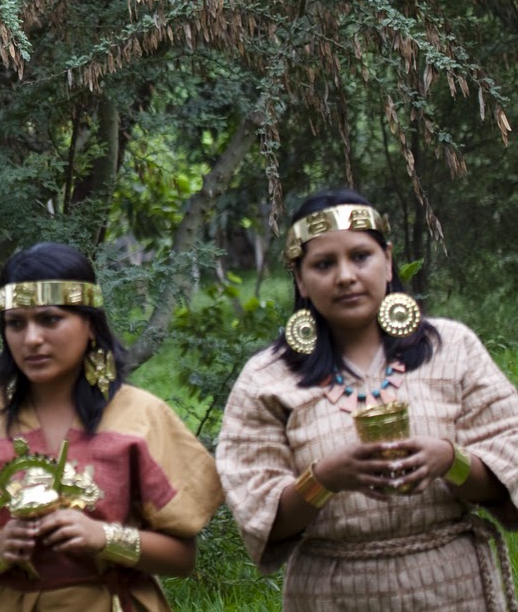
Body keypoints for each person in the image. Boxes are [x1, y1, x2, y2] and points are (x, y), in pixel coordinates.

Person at [217, 188, 518, 611]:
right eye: (324, 264)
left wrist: (450, 460)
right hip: (331, 594)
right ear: (300, 280)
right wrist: (325, 479)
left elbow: (509, 467)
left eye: (361, 256)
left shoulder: (454, 348)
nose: (345, 276)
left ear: (388, 260)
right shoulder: (267, 379)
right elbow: (260, 512)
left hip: (453, 586)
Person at [0, 243, 223, 611]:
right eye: (16, 323)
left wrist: (104, 537)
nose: (32, 339)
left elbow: (182, 558)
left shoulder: (140, 416)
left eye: (50, 319)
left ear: (90, 325)